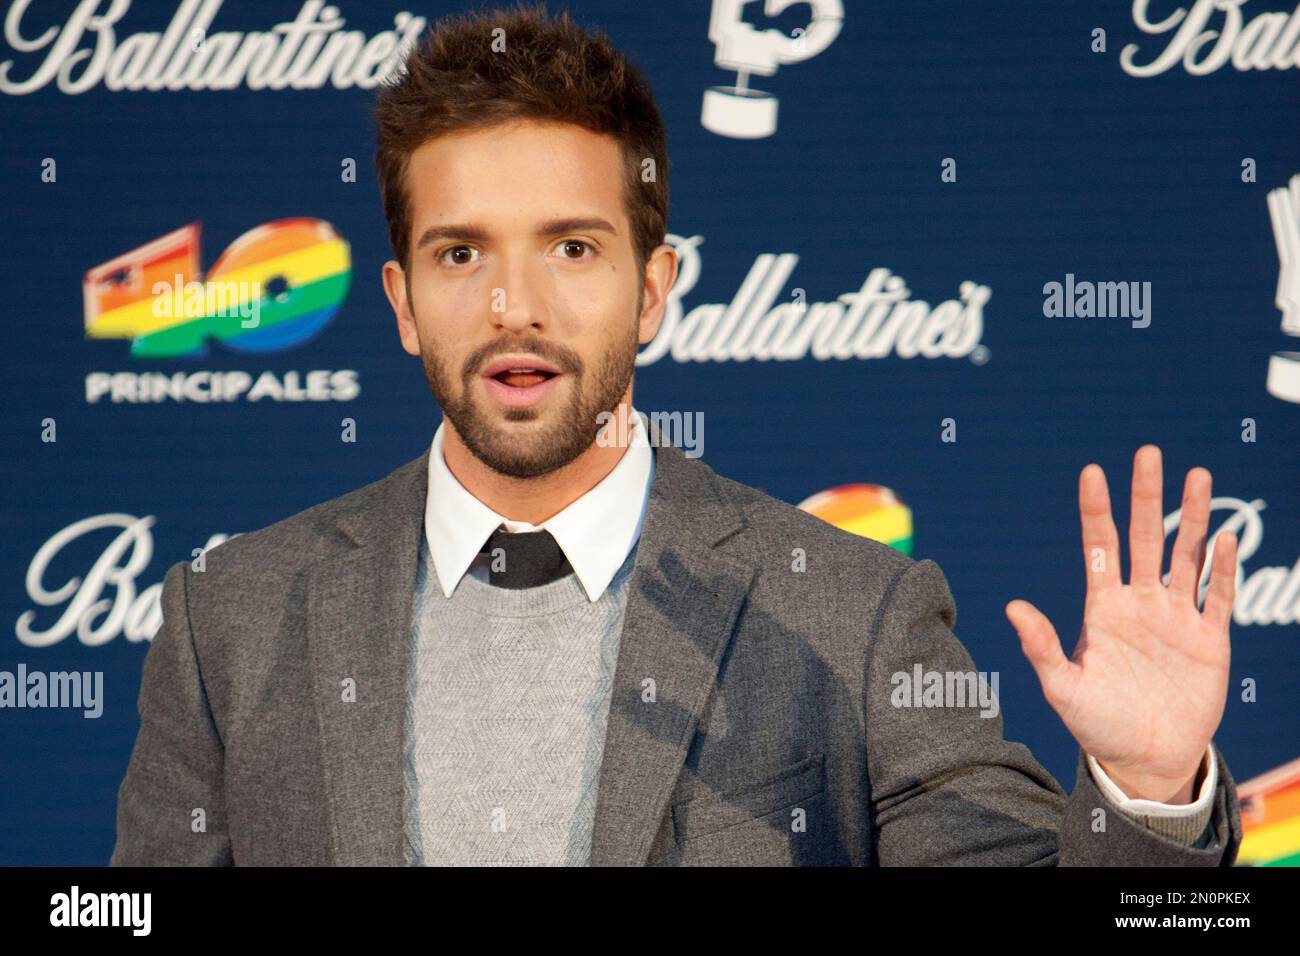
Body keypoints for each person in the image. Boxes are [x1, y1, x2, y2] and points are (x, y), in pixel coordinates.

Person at [110, 3, 1242, 866]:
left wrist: (1149, 789)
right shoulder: (233, 622)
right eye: (462, 253)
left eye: (572, 247)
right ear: (402, 302)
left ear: (653, 289)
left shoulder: (847, 615)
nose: (515, 306)